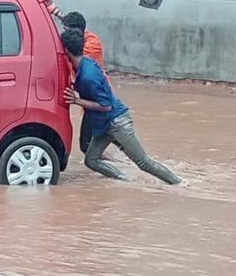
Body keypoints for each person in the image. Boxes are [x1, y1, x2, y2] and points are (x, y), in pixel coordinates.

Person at [61, 28, 182, 185]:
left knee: (143, 162)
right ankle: (125, 180)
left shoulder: (87, 75)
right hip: (104, 124)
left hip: (117, 122)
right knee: (91, 160)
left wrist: (77, 101)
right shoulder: (86, 64)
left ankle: (179, 183)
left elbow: (105, 106)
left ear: (66, 50)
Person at [59, 11, 105, 154]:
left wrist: (77, 101)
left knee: (88, 147)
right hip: (94, 101)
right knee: (98, 144)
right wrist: (55, 11)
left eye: (66, 32)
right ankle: (123, 168)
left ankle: (122, 172)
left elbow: (73, 50)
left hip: (99, 102)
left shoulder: (91, 46)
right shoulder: (84, 35)